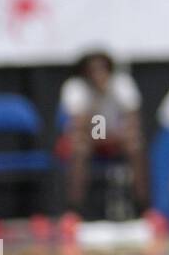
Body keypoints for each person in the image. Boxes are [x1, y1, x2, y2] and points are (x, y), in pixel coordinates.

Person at [57, 50, 147, 217]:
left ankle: (144, 207)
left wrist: (114, 136)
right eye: (93, 70)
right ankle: (74, 211)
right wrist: (97, 98)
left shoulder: (122, 84)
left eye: (102, 69)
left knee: (136, 144)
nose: (98, 74)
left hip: (116, 139)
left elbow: (133, 121)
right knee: (78, 148)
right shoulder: (76, 88)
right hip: (90, 139)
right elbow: (78, 127)